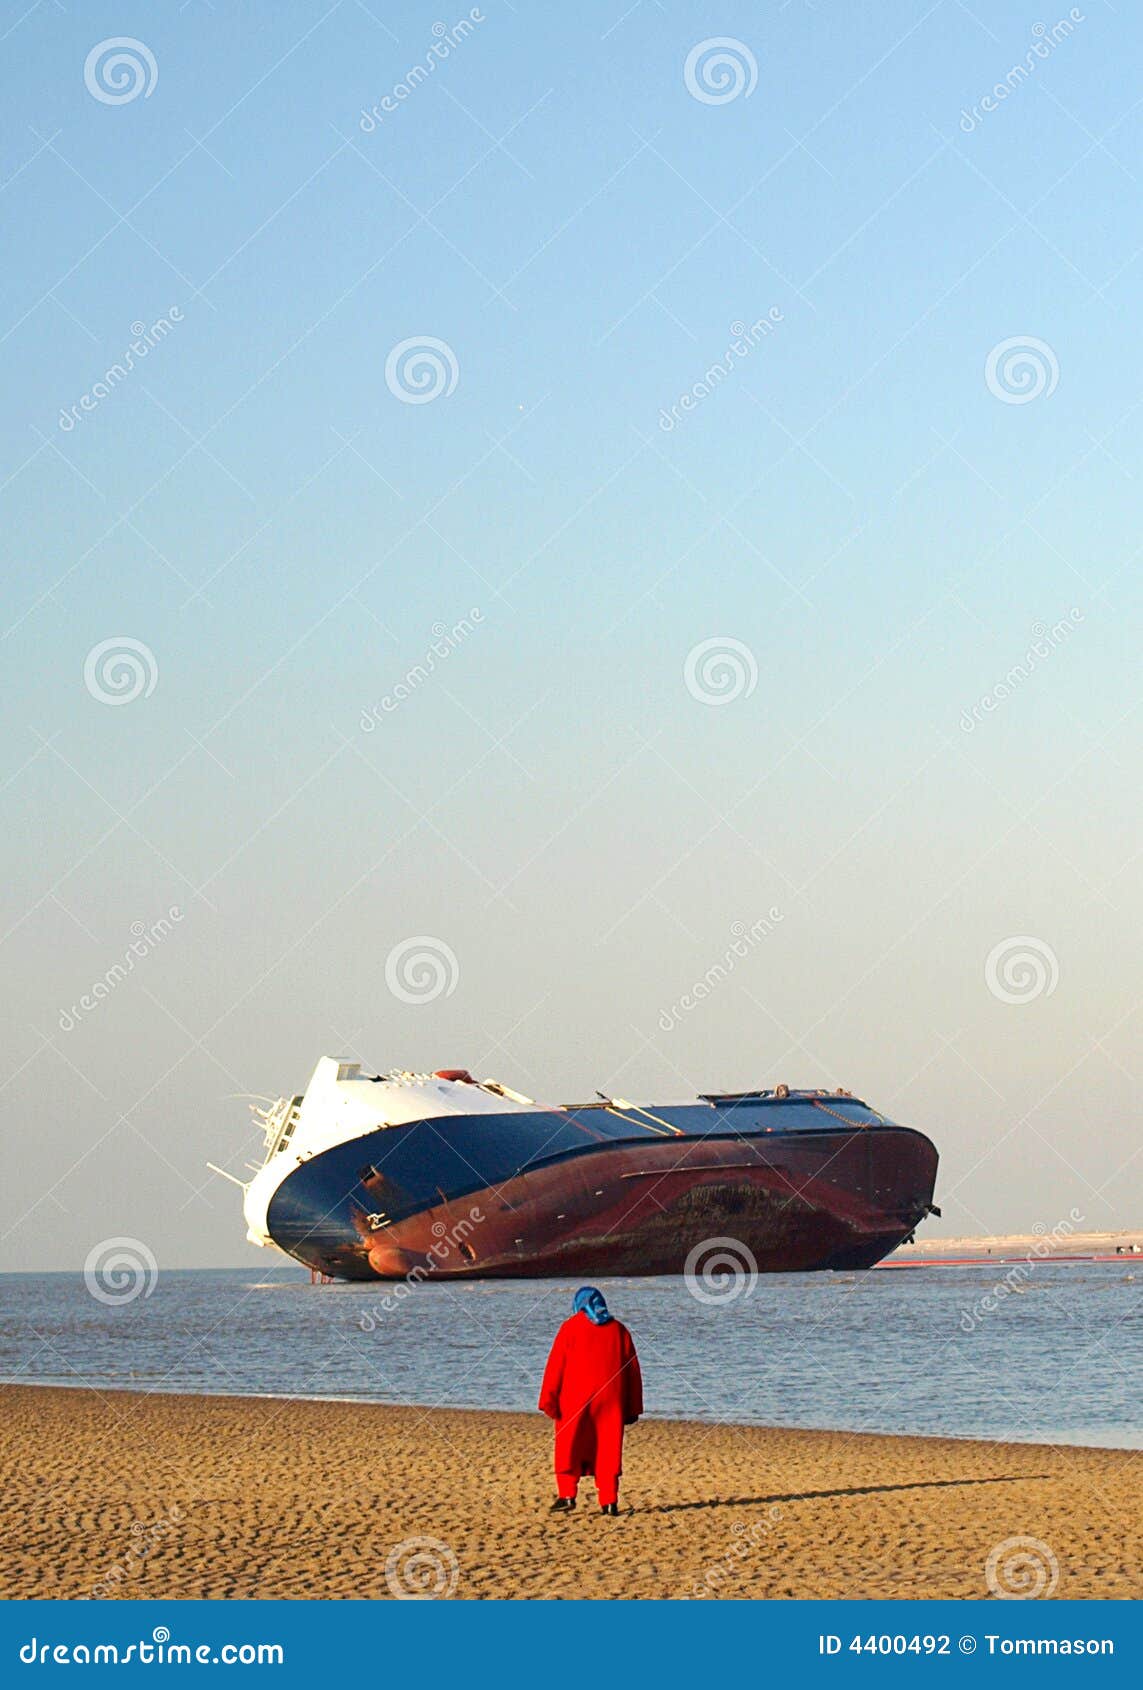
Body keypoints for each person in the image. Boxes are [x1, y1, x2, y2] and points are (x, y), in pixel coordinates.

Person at [538, 1285, 643, 1516]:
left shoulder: (569, 1328)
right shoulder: (619, 1330)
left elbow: (555, 1366)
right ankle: (609, 1501)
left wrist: (549, 1399)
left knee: (569, 1444)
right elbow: (632, 1370)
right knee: (608, 1446)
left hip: (574, 1397)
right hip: (611, 1398)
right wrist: (633, 1407)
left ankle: (567, 1496)